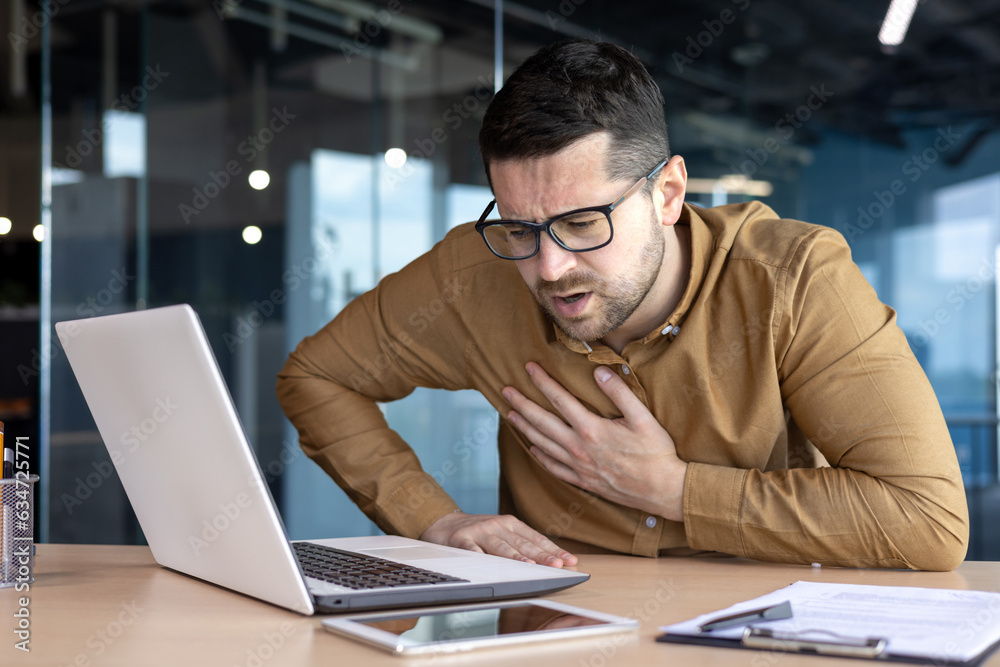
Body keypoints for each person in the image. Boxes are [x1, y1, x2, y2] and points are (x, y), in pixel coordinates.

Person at [277, 39, 968, 571]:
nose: (549, 268)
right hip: (556, 628)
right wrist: (431, 519)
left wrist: (674, 490)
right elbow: (315, 377)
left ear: (667, 194)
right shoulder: (477, 271)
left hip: (766, 627)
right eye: (521, 227)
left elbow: (928, 519)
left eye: (583, 223)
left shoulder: (793, 278)